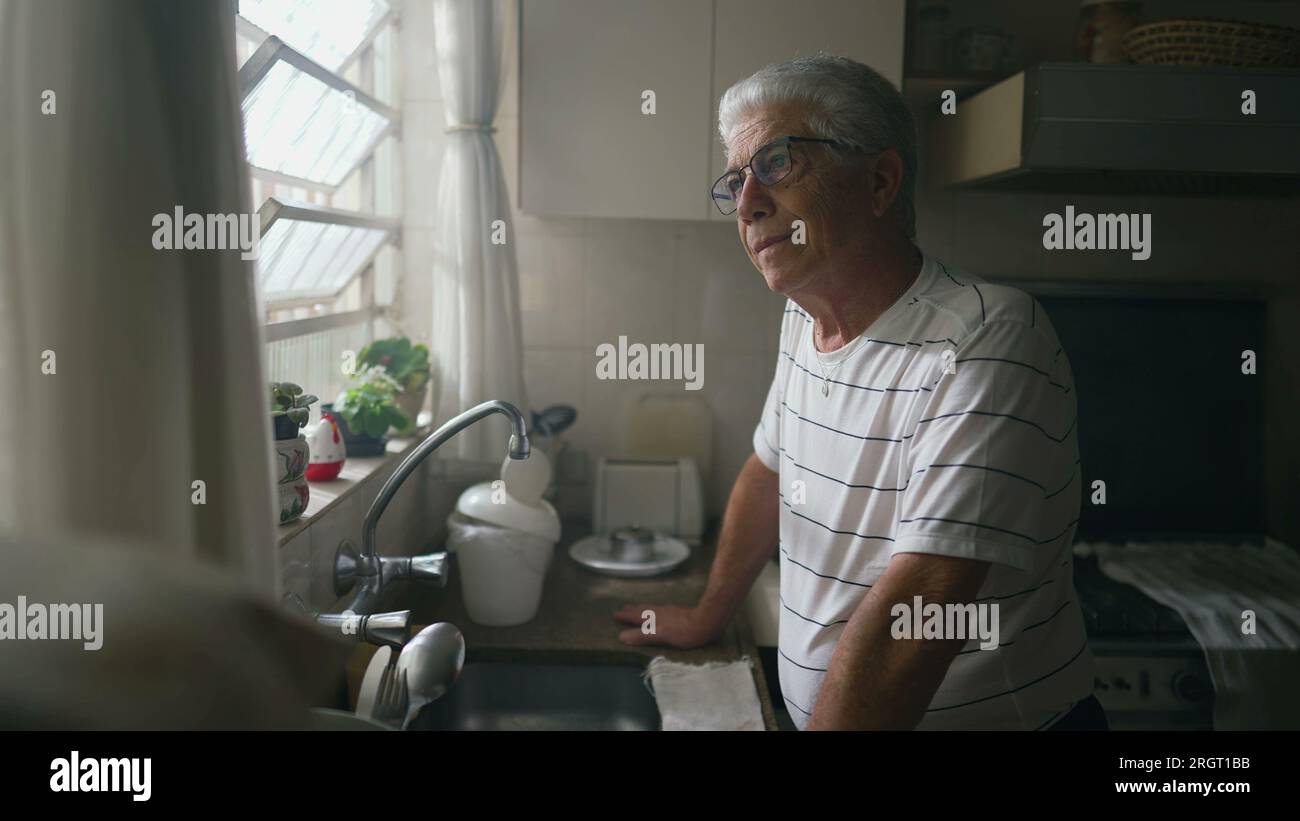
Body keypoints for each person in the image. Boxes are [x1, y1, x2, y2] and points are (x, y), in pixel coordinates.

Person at [614, 55, 1104, 731]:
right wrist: (707, 615)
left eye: (779, 162)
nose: (749, 200)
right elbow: (769, 473)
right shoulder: (805, 319)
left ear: (878, 181)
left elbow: (920, 604)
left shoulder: (985, 339)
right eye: (737, 178)